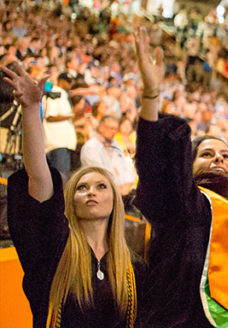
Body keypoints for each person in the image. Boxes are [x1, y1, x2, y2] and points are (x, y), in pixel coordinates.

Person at [131, 29, 228, 328]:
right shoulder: (182, 205)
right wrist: (151, 95)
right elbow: (156, 169)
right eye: (207, 154)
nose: (218, 159)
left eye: (225, 156)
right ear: (188, 167)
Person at [4, 60, 143, 328]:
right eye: (82, 187)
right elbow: (38, 177)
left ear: (116, 201)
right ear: (70, 200)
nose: (91, 191)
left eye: (102, 186)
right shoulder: (55, 249)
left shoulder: (132, 269)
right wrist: (31, 109)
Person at [80, 116, 137, 195]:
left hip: (124, 192)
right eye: (110, 128)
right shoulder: (91, 147)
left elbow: (127, 167)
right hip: (101, 193)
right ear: (101, 127)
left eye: (115, 129)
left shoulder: (116, 144)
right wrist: (117, 189)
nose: (113, 131)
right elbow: (98, 174)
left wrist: (127, 185)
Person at [42, 72, 76, 177]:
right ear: (61, 81)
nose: (70, 85)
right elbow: (50, 116)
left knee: (63, 178)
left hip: (62, 142)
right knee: (59, 178)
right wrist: (71, 116)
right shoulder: (55, 93)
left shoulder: (63, 94)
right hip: (57, 143)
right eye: (68, 82)